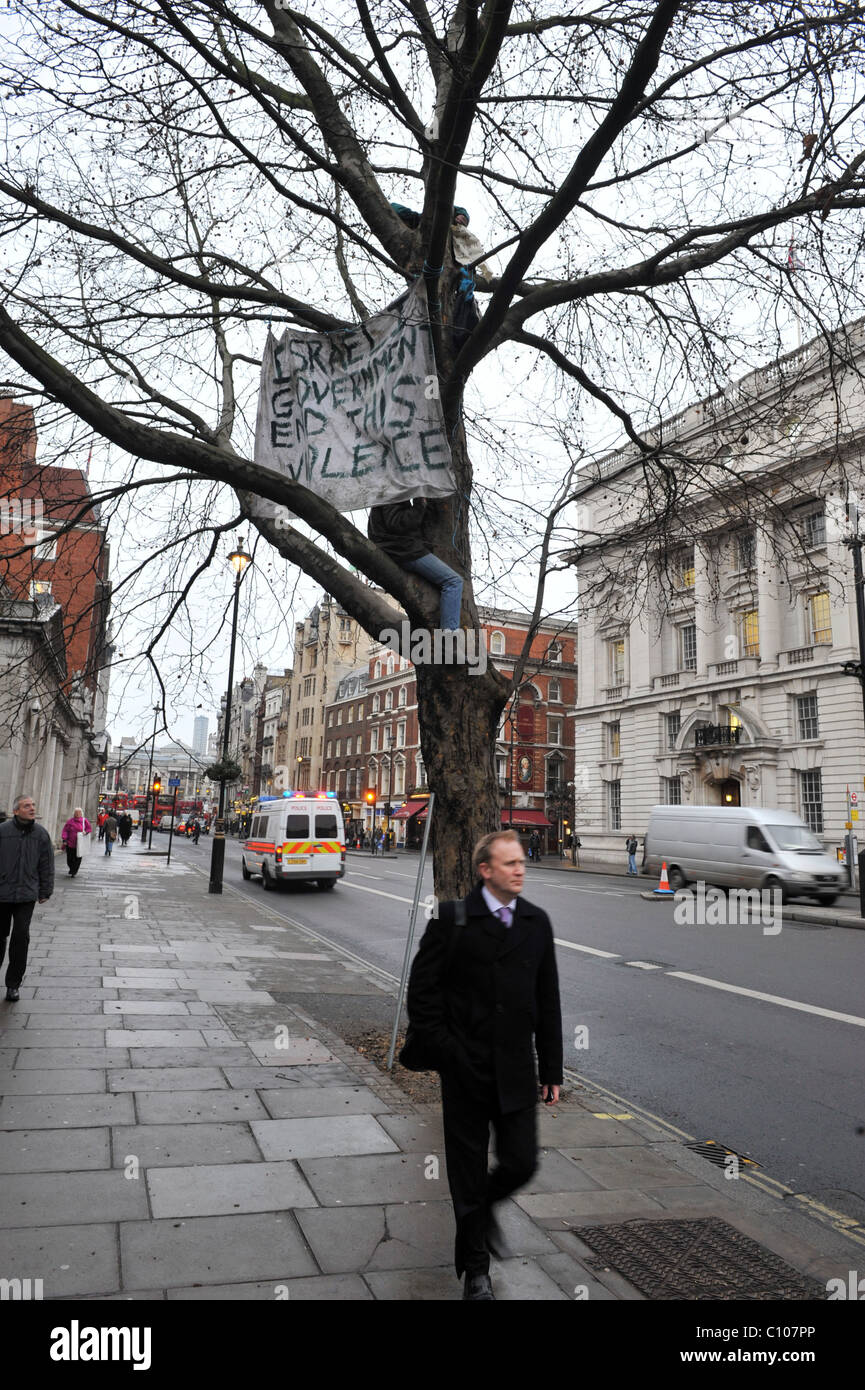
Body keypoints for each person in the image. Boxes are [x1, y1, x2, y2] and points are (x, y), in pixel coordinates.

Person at [405, 829, 562, 1300]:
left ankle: (483, 1208)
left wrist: (551, 1068)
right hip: (466, 1071)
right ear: (485, 871)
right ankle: (476, 1273)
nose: (521, 869)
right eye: (510, 863)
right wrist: (449, 1051)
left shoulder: (536, 922)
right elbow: (422, 996)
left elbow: (547, 999)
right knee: (467, 1175)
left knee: (521, 1163)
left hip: (516, 1068)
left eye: (522, 862)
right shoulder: (452, 921)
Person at [367, 500, 463, 633]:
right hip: (403, 551)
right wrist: (419, 505)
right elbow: (397, 523)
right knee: (453, 581)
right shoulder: (394, 492)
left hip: (398, 549)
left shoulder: (387, 492)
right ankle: (449, 632)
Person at [0, 794, 54, 1001]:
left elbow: (47, 864)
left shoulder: (41, 834)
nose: (32, 808)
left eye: (33, 805)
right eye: (26, 806)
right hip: (2, 893)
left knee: (21, 938)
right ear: (16, 811)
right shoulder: (3, 831)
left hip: (26, 895)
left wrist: (45, 891)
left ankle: (13, 984)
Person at [61, 807, 91, 877]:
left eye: (79, 812)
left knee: (77, 858)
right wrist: (64, 839)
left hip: (80, 844)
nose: (77, 814)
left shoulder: (84, 821)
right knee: (69, 859)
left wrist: (85, 832)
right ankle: (71, 868)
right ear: (74, 813)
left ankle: (74, 871)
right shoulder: (70, 821)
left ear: (81, 813)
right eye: (76, 812)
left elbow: (89, 828)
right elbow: (65, 830)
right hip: (70, 843)